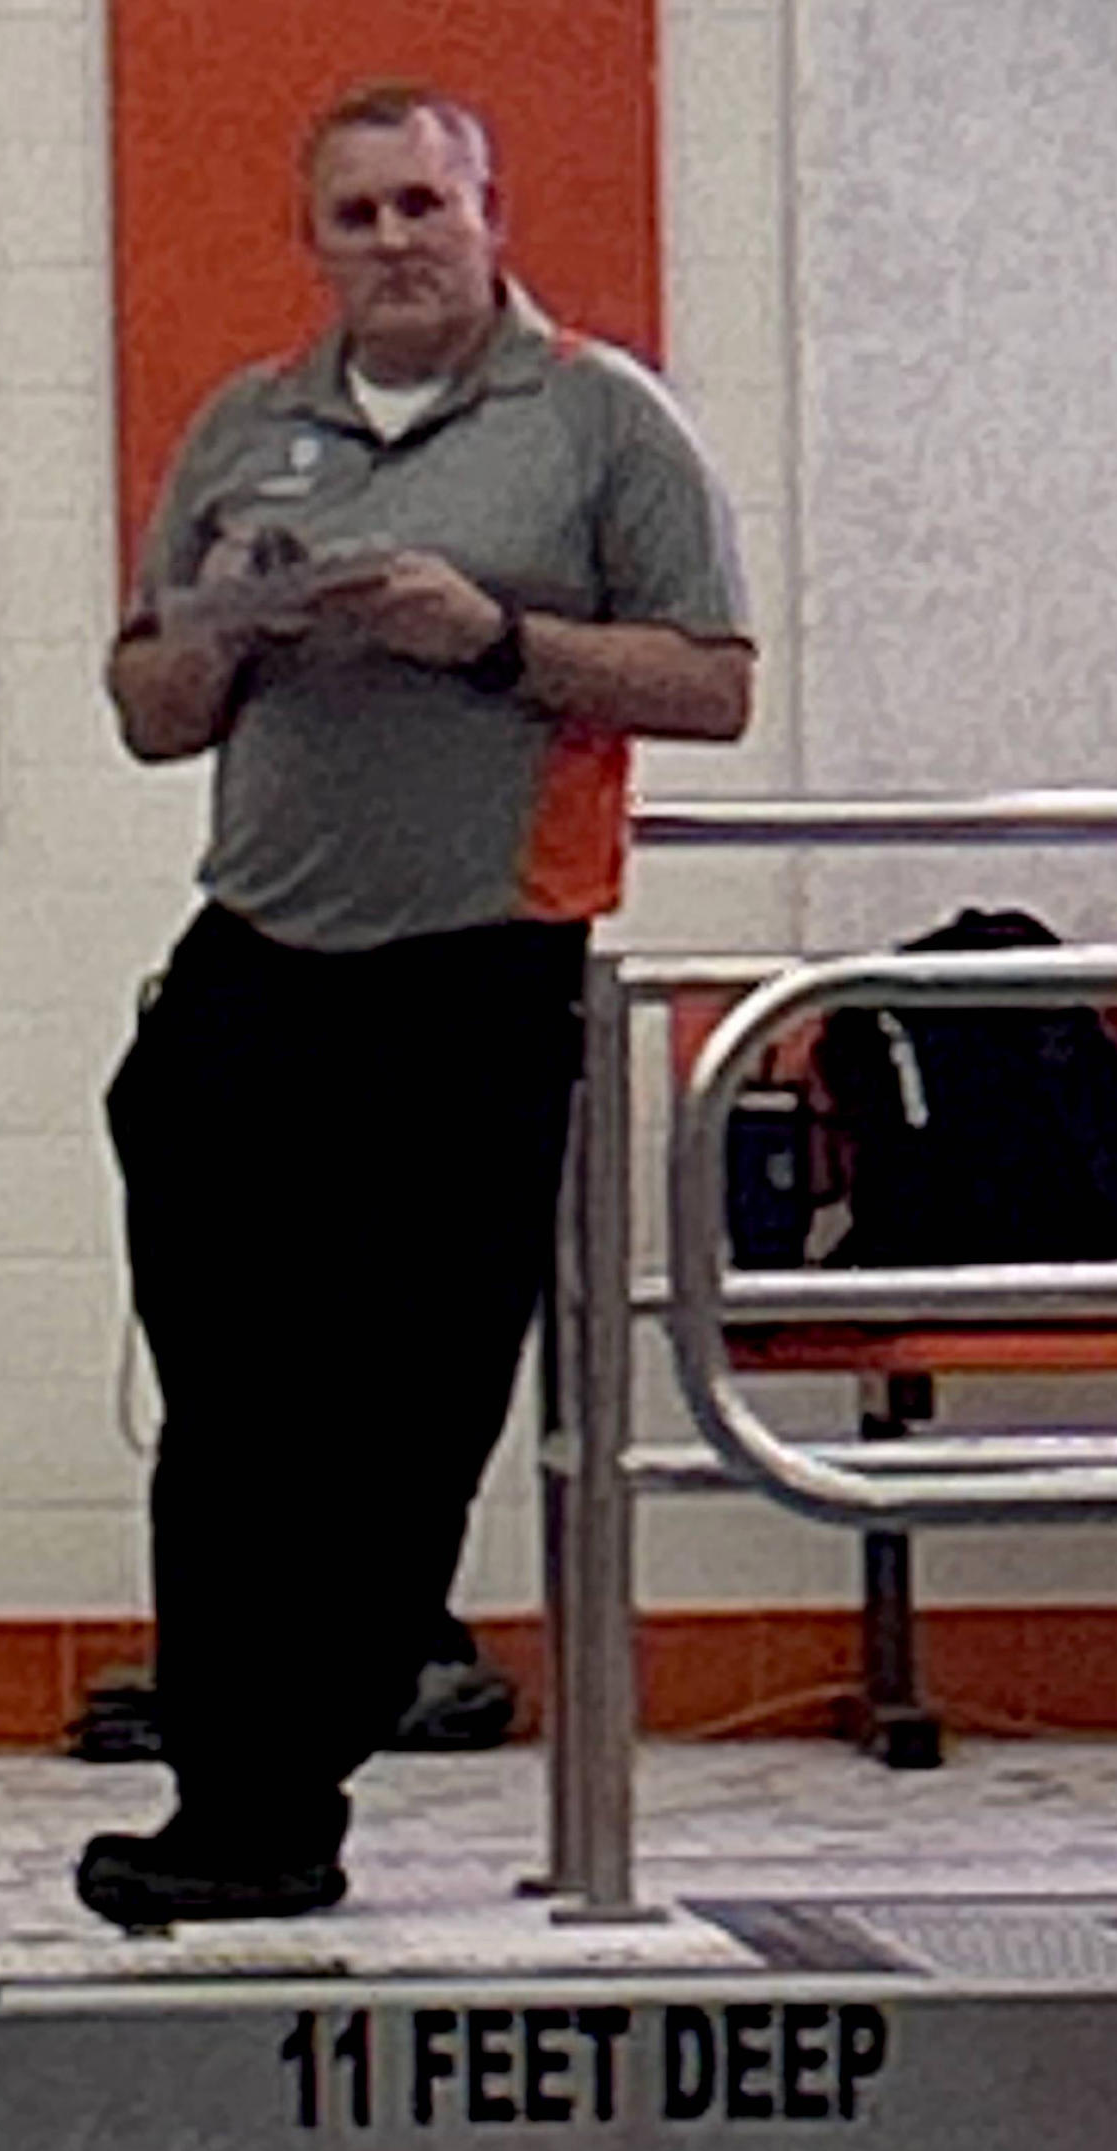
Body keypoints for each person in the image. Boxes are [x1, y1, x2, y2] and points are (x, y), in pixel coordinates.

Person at [85, 83, 754, 1930]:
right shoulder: (247, 423)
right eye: (359, 216)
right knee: (232, 1420)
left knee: (393, 1417)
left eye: (424, 207)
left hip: (472, 973)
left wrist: (492, 639)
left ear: (488, 212)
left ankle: (302, 1754)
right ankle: (237, 1802)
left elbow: (712, 686)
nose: (394, 243)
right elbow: (144, 710)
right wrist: (225, 634)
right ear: (316, 240)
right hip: (252, 971)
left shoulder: (600, 422)